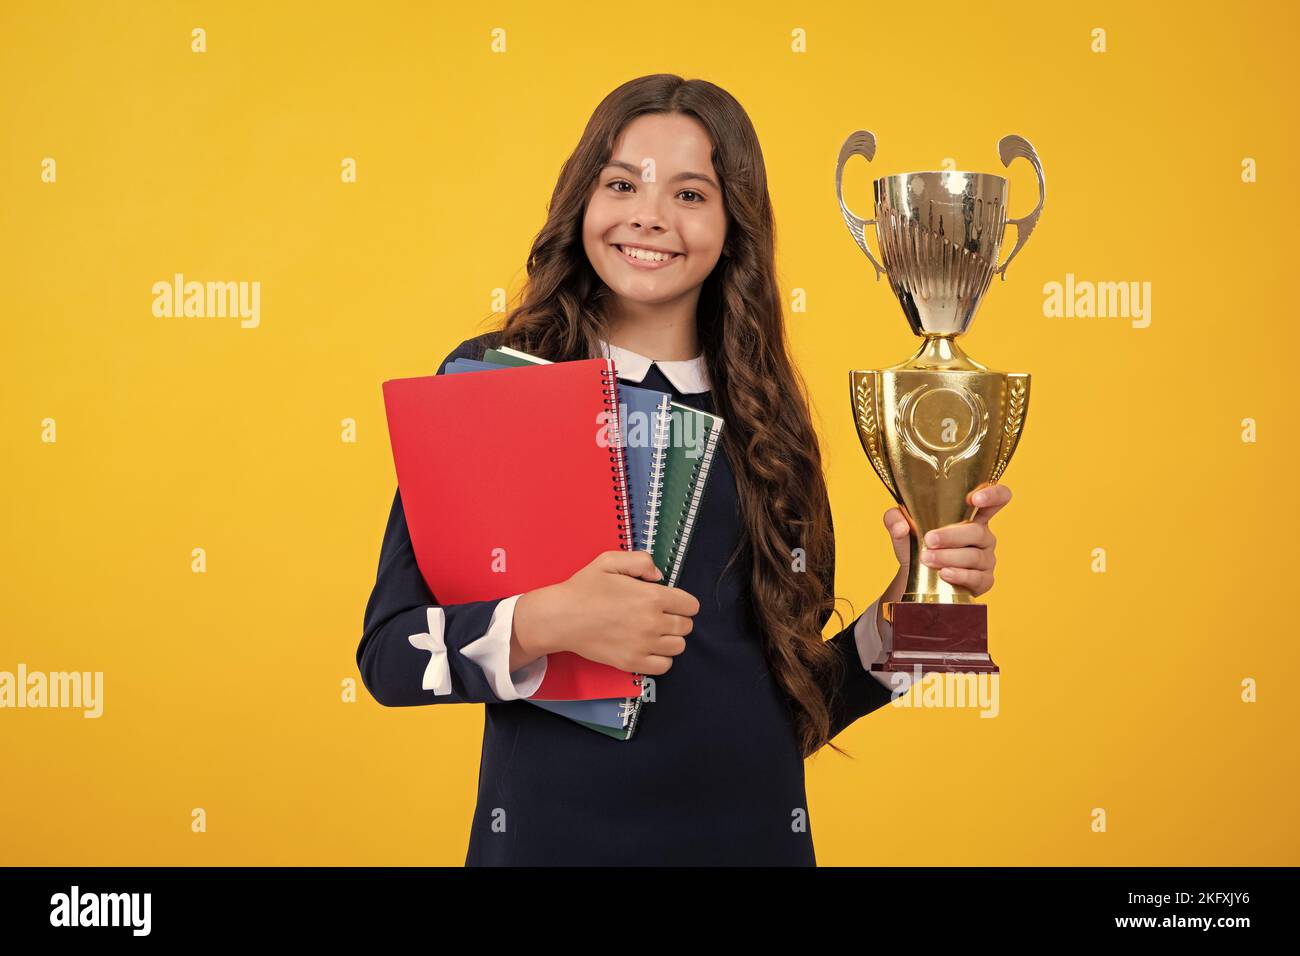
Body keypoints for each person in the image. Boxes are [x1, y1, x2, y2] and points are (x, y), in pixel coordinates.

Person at [357, 74, 1013, 865]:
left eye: (692, 194)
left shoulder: (771, 423)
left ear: (736, 223)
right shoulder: (496, 383)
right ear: (582, 201)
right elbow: (390, 657)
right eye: (622, 182)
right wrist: (546, 621)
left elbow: (798, 708)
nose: (650, 216)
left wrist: (923, 604)